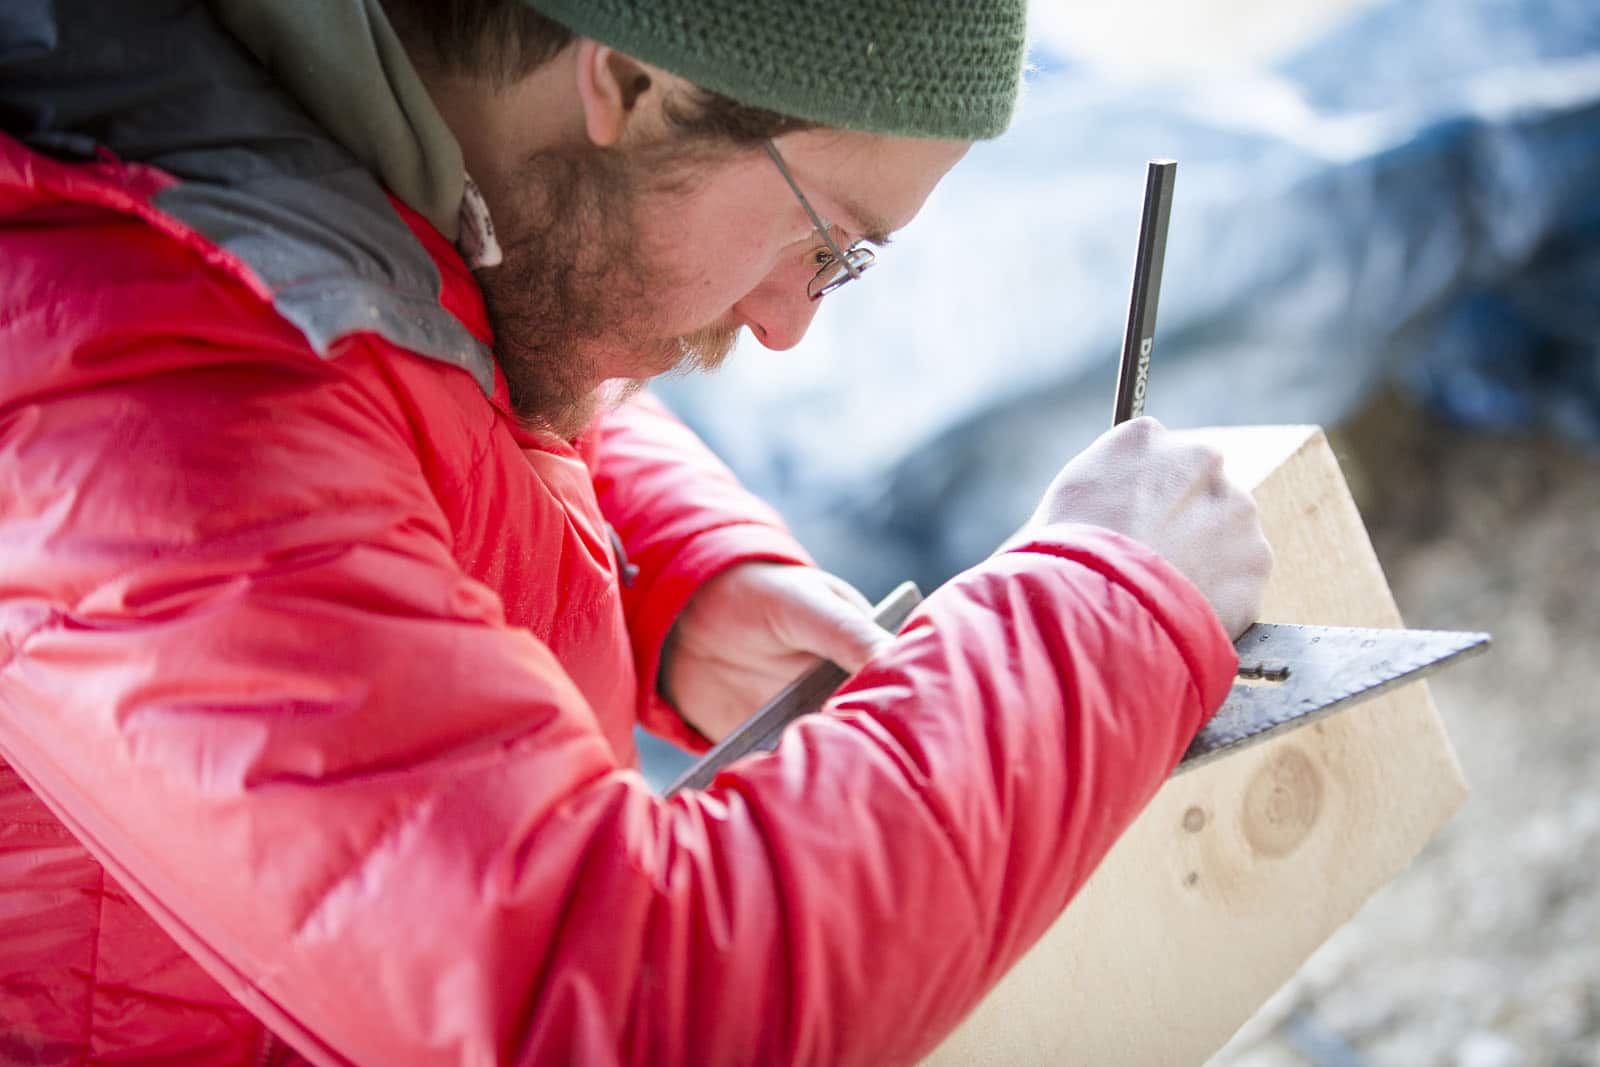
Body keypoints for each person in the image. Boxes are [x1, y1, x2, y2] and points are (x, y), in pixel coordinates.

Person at [0, 1, 1271, 1063]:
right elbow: (610, 1007)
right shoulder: (137, 383)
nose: (787, 325)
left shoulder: (351, 133)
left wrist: (671, 573)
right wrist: (1100, 614)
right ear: (627, 79)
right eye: (824, 243)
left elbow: (426, 352)